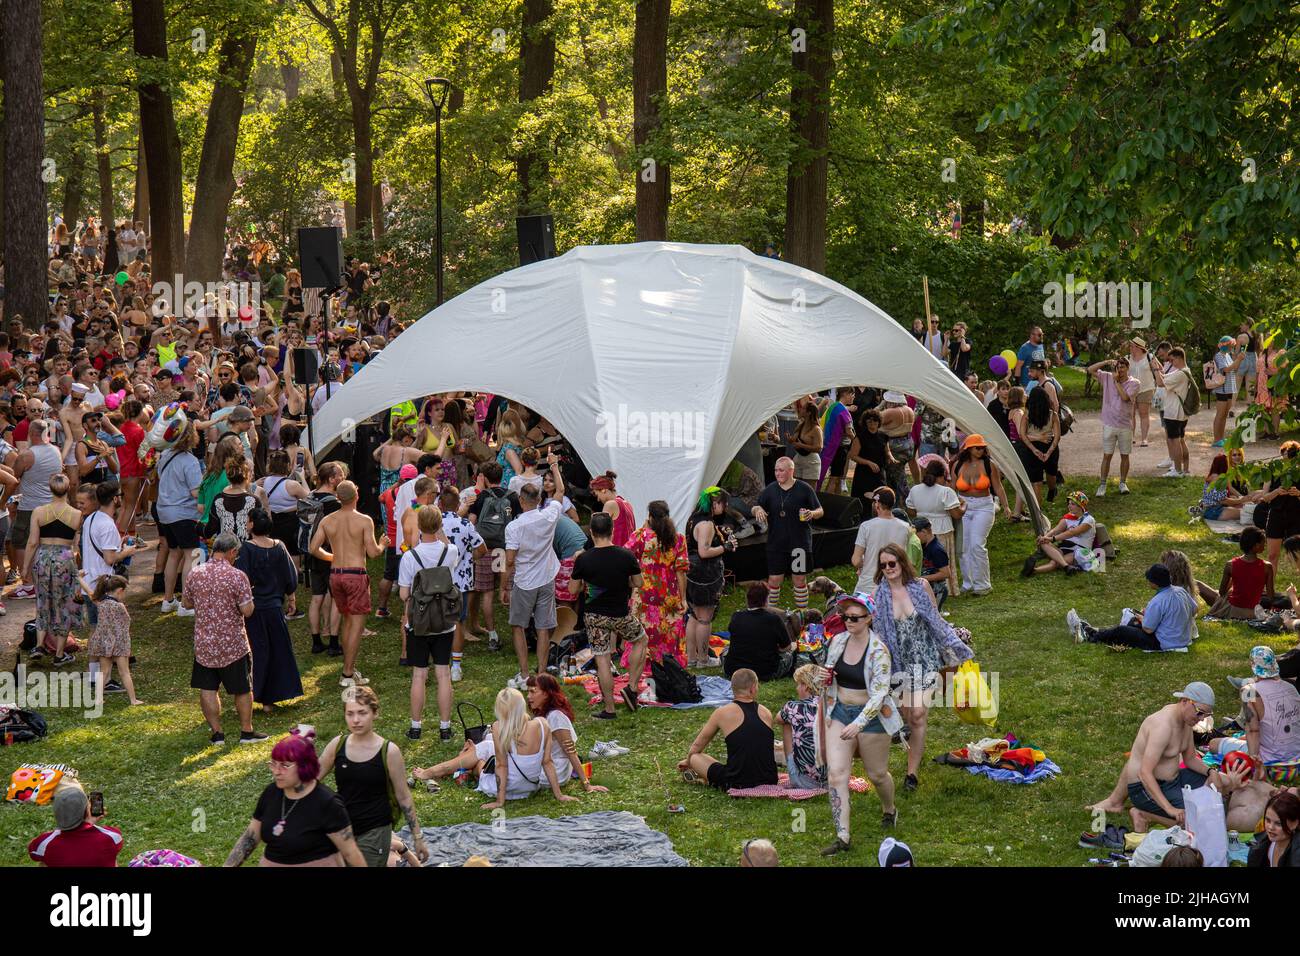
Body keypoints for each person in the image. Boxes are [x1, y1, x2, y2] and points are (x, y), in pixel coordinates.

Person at [873, 543, 971, 790]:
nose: (887, 569)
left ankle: (911, 775)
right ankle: (908, 742)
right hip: (900, 663)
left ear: (902, 562)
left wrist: (957, 648)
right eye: (883, 565)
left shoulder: (920, 587)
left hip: (926, 660)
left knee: (917, 715)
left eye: (891, 563)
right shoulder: (880, 595)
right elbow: (881, 635)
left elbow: (936, 622)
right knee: (908, 715)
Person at [1086, 682, 1246, 831]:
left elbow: (1190, 759)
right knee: (1197, 822)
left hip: (1175, 780)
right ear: (1185, 701)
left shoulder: (1186, 721)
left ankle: (1189, 804)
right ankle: (1143, 815)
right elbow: (1144, 773)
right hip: (1145, 788)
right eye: (1200, 713)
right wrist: (1169, 809)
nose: (1201, 719)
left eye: (1206, 715)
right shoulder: (1162, 726)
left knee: (1225, 781)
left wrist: (1212, 772)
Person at [818, 591, 898, 854]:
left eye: (854, 618)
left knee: (876, 775)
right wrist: (822, 677)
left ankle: (889, 809)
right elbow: (829, 678)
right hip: (840, 711)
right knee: (836, 774)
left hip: (872, 716)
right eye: (845, 617)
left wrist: (860, 723)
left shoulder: (879, 651)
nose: (848, 622)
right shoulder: (838, 641)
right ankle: (843, 837)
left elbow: (879, 695)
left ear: (868, 619)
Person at [318, 687, 428, 868]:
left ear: (375, 713)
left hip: (375, 830)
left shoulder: (389, 751)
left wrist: (417, 837)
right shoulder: (337, 745)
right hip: (343, 827)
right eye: (350, 714)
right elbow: (310, 781)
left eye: (362, 713)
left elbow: (403, 796)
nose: (355, 720)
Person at [224, 729, 366, 867]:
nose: (276, 772)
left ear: (304, 766)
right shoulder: (271, 793)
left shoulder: (327, 803)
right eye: (273, 764)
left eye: (285, 765)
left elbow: (350, 853)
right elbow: (250, 838)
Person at [184, 532, 266, 745]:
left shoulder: (195, 573)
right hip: (233, 644)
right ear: (232, 552)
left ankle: (217, 733)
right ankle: (246, 732)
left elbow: (186, 603)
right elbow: (247, 611)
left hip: (204, 643)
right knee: (242, 688)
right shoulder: (237, 576)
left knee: (208, 689)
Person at [310, 479, 388, 688]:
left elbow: (313, 548)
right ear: (357, 496)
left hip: (336, 575)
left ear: (338, 497)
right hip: (355, 575)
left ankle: (349, 670)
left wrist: (332, 558)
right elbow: (373, 553)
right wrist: (382, 544)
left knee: (347, 621)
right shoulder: (364, 520)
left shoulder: (328, 520)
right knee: (357, 625)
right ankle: (347, 673)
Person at [571, 511, 648, 718]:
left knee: (602, 658)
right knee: (641, 640)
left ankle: (609, 708)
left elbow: (572, 590)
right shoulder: (626, 555)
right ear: (612, 531)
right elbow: (639, 582)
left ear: (592, 533)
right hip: (620, 613)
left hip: (594, 615)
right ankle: (631, 687)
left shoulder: (583, 559)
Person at [398, 506, 460, 741]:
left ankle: (416, 727)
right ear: (439, 524)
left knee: (419, 675)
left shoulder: (409, 557)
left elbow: (404, 594)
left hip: (419, 622)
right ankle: (445, 728)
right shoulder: (451, 551)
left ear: (419, 526)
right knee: (443, 673)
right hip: (445, 620)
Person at [502, 454, 566, 684]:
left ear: (521, 500)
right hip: (546, 577)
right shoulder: (549, 514)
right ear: (539, 499)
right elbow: (560, 492)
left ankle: (525, 673)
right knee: (542, 627)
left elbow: (509, 560)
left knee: (518, 625)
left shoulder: (514, 527)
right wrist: (554, 466)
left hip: (525, 580)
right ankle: (540, 672)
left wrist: (503, 586)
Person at [235, 509, 303, 712]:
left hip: (254, 609)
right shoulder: (279, 546)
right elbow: (290, 576)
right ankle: (271, 697)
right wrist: (291, 596)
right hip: (274, 608)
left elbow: (242, 578)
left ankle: (258, 695)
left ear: (252, 525)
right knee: (277, 652)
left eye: (248, 521)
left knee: (258, 653)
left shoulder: (246, 549)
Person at [477, 688, 580, 808]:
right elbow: (547, 763)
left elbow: (501, 765)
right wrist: (559, 795)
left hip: (507, 789)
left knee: (480, 764)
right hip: (530, 788)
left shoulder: (498, 727)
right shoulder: (542, 724)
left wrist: (500, 801)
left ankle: (465, 771)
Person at [678, 668, 779, 789]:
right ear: (753, 688)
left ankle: (699, 775)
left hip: (737, 781)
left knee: (695, 757)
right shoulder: (766, 712)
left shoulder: (722, 712)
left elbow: (696, 747)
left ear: (733, 689)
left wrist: (689, 762)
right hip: (770, 779)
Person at [22, 472, 82, 664]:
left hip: (43, 557)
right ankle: (59, 654)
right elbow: (77, 546)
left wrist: (24, 568)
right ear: (68, 489)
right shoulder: (77, 514)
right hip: (65, 558)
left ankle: (40, 644)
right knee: (64, 604)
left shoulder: (39, 511)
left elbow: (32, 542)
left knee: (42, 602)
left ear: (50, 489)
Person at [1067, 564, 1197, 651]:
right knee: (1132, 624)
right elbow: (1195, 609)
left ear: (1153, 583)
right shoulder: (1180, 591)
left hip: (1164, 642)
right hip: (1182, 637)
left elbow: (1148, 629)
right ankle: (1095, 631)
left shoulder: (1158, 600)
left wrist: (1142, 618)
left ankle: (1092, 636)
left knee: (1122, 630)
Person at [752, 456, 822, 611]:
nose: (777, 473)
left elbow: (820, 510)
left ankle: (802, 614)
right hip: (776, 544)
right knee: (774, 579)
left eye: (781, 470)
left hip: (799, 544)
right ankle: (770, 614)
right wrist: (758, 509)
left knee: (799, 579)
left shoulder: (804, 488)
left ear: (791, 471)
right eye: (776, 470)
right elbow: (756, 506)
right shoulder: (770, 489)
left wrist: (811, 513)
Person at [628, 500, 689, 667]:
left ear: (649, 517)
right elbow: (681, 571)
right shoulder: (678, 539)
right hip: (670, 595)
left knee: (644, 636)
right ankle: (669, 668)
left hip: (644, 596)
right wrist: (683, 598)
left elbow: (624, 556)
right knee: (668, 634)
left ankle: (644, 670)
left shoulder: (640, 536)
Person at [525, 674, 609, 795]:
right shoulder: (543, 714)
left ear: (547, 693)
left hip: (556, 770)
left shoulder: (556, 717)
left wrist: (587, 785)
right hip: (544, 765)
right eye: (528, 692)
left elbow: (571, 752)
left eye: (533, 692)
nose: (529, 696)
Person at [9, 419, 65, 599]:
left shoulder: (27, 455)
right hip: (51, 505)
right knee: (47, 545)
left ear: (32, 434)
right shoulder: (56, 451)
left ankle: (27, 584)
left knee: (22, 543)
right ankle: (48, 582)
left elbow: (14, 475)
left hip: (30, 507)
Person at [155, 424, 204, 616]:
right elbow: (195, 492)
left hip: (164, 511)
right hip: (183, 513)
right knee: (191, 555)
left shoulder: (166, 454)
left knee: (173, 554)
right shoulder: (190, 461)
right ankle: (186, 603)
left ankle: (168, 599)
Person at [438, 488, 486, 682]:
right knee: (458, 622)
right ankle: (456, 666)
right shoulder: (465, 524)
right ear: (458, 505)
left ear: (440, 504)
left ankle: (440, 663)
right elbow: (482, 549)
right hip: (461, 582)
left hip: (438, 581)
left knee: (439, 622)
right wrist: (470, 559)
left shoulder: (433, 522)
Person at [952, 434, 1010, 596]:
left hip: (984, 506)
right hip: (963, 506)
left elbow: (998, 487)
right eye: (978, 447)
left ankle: (983, 584)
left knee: (977, 544)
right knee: (963, 547)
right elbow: (951, 488)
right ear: (969, 448)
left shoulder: (989, 464)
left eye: (983, 447)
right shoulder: (957, 465)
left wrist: (1006, 506)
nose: (981, 450)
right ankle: (968, 582)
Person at [684, 487, 735, 668]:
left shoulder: (693, 518)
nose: (726, 507)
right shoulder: (705, 524)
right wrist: (726, 547)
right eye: (724, 503)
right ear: (715, 504)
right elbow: (704, 552)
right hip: (704, 573)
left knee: (693, 615)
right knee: (704, 617)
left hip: (692, 571)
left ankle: (691, 659)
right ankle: (703, 659)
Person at [304, 461, 345, 656]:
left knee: (316, 598)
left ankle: (315, 642)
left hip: (312, 553)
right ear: (331, 479)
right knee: (337, 598)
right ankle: (334, 642)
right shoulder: (333, 503)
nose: (342, 477)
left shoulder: (309, 496)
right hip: (330, 553)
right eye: (340, 475)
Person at [906, 460, 963, 594]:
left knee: (922, 561)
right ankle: (946, 589)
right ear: (943, 475)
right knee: (942, 562)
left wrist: (923, 512)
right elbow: (956, 514)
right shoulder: (946, 491)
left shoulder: (915, 489)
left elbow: (910, 510)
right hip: (942, 529)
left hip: (920, 531)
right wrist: (964, 506)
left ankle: (920, 586)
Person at [28, 788, 123, 867]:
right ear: (87, 812)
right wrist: (89, 822)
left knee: (43, 862)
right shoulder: (111, 836)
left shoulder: (45, 843)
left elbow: (32, 850)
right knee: (111, 857)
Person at [1194, 527, 1273, 620]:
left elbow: (1222, 592)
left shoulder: (1230, 565)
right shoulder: (1267, 567)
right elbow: (1270, 596)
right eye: (1263, 542)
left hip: (1232, 610)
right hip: (1253, 612)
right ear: (1256, 546)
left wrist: (1233, 580)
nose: (1265, 545)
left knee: (1196, 583)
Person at [722, 583, 794, 681]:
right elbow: (787, 647)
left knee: (726, 648)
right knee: (789, 655)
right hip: (766, 673)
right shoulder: (774, 619)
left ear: (748, 599)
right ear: (766, 600)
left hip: (733, 671)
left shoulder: (736, 616)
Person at [1089, 355, 1139, 496]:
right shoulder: (1107, 377)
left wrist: (1116, 382)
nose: (1120, 369)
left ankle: (1123, 483)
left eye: (1123, 367)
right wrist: (1105, 361)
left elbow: (1124, 397)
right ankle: (1102, 484)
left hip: (1125, 425)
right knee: (1107, 455)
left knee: (1125, 455)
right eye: (1118, 366)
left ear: (1128, 368)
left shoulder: (1134, 383)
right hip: (1109, 423)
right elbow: (1090, 369)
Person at [86, 574, 140, 704]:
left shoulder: (101, 604)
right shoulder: (119, 606)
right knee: (124, 672)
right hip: (120, 643)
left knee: (103, 671)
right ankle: (133, 699)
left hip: (105, 642)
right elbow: (127, 621)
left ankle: (98, 698)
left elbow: (90, 594)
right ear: (120, 590)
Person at [851, 486, 912, 594]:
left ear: (877, 504)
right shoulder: (906, 527)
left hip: (869, 585)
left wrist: (863, 564)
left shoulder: (866, 526)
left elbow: (856, 561)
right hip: (895, 584)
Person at [777, 664, 827, 789]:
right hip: (835, 779)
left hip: (803, 781)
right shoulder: (832, 705)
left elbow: (777, 719)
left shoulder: (793, 707)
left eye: (799, 684)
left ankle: (793, 767)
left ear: (806, 686)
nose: (797, 688)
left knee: (786, 722)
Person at [1024, 490, 1096, 576]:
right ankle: (1067, 567)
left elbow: (1072, 532)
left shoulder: (1089, 520)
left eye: (1073, 504)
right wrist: (1045, 537)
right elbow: (1055, 530)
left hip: (1079, 550)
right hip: (1064, 547)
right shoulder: (1069, 517)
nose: (1069, 506)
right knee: (1043, 543)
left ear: (1080, 506)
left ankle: (1034, 570)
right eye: (1069, 503)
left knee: (1055, 563)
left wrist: (1052, 539)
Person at [1154, 347, 1194, 477]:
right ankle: (1185, 469)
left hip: (1173, 412)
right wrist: (1158, 367)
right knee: (1181, 440)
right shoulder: (1185, 371)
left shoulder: (1180, 374)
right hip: (1182, 413)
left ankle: (1177, 470)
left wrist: (1155, 369)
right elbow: (1165, 376)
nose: (1171, 363)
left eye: (1172, 360)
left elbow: (1160, 382)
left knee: (1174, 441)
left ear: (1179, 358)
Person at [878, 392, 916, 502]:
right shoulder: (909, 410)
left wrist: (880, 405)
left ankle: (896, 501)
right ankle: (905, 499)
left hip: (895, 446)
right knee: (900, 473)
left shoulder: (891, 412)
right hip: (907, 444)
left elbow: (871, 418)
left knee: (892, 476)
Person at [847, 409, 889, 506]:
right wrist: (868, 462)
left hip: (879, 473)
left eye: (875, 420)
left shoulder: (883, 436)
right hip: (864, 474)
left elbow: (887, 450)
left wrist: (890, 457)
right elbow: (852, 456)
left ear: (879, 422)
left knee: (880, 499)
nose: (872, 423)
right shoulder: (860, 437)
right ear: (865, 422)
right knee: (864, 502)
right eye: (869, 421)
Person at [1247, 790, 1300, 867]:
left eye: (1278, 823)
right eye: (1268, 820)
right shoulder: (1263, 844)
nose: (1270, 827)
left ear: (1294, 824)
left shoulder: (1297, 855)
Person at [1210, 334, 1244, 447]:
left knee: (1224, 415)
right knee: (1220, 414)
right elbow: (1226, 369)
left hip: (1229, 388)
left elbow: (1234, 368)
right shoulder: (1219, 356)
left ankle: (1221, 438)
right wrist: (1238, 359)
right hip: (1222, 389)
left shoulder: (1228, 355)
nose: (1232, 347)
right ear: (1225, 345)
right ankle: (1216, 439)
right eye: (1230, 345)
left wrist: (1239, 360)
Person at [912, 517, 951, 607]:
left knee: (932, 617)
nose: (914, 537)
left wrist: (921, 578)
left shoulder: (937, 550)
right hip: (925, 588)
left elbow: (946, 573)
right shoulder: (922, 545)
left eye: (915, 534)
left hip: (937, 590)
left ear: (924, 532)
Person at [590, 471, 635, 547]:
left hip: (617, 552)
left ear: (603, 490)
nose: (598, 499)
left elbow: (599, 530)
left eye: (597, 494)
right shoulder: (626, 503)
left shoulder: (610, 504)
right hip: (628, 552)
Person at [1128, 337, 1159, 448]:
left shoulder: (1149, 357)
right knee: (1130, 414)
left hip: (1146, 389)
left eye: (1132, 346)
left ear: (1138, 347)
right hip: (1130, 390)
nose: (1130, 348)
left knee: (1144, 414)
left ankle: (1144, 439)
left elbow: (1160, 370)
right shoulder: (1127, 358)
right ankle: (1131, 437)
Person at [790, 398, 824, 482]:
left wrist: (801, 445)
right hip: (798, 460)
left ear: (809, 413)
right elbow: (794, 441)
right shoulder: (800, 425)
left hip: (811, 462)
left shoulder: (816, 429)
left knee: (809, 492)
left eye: (803, 408)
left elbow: (819, 448)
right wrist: (790, 440)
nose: (800, 409)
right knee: (796, 490)